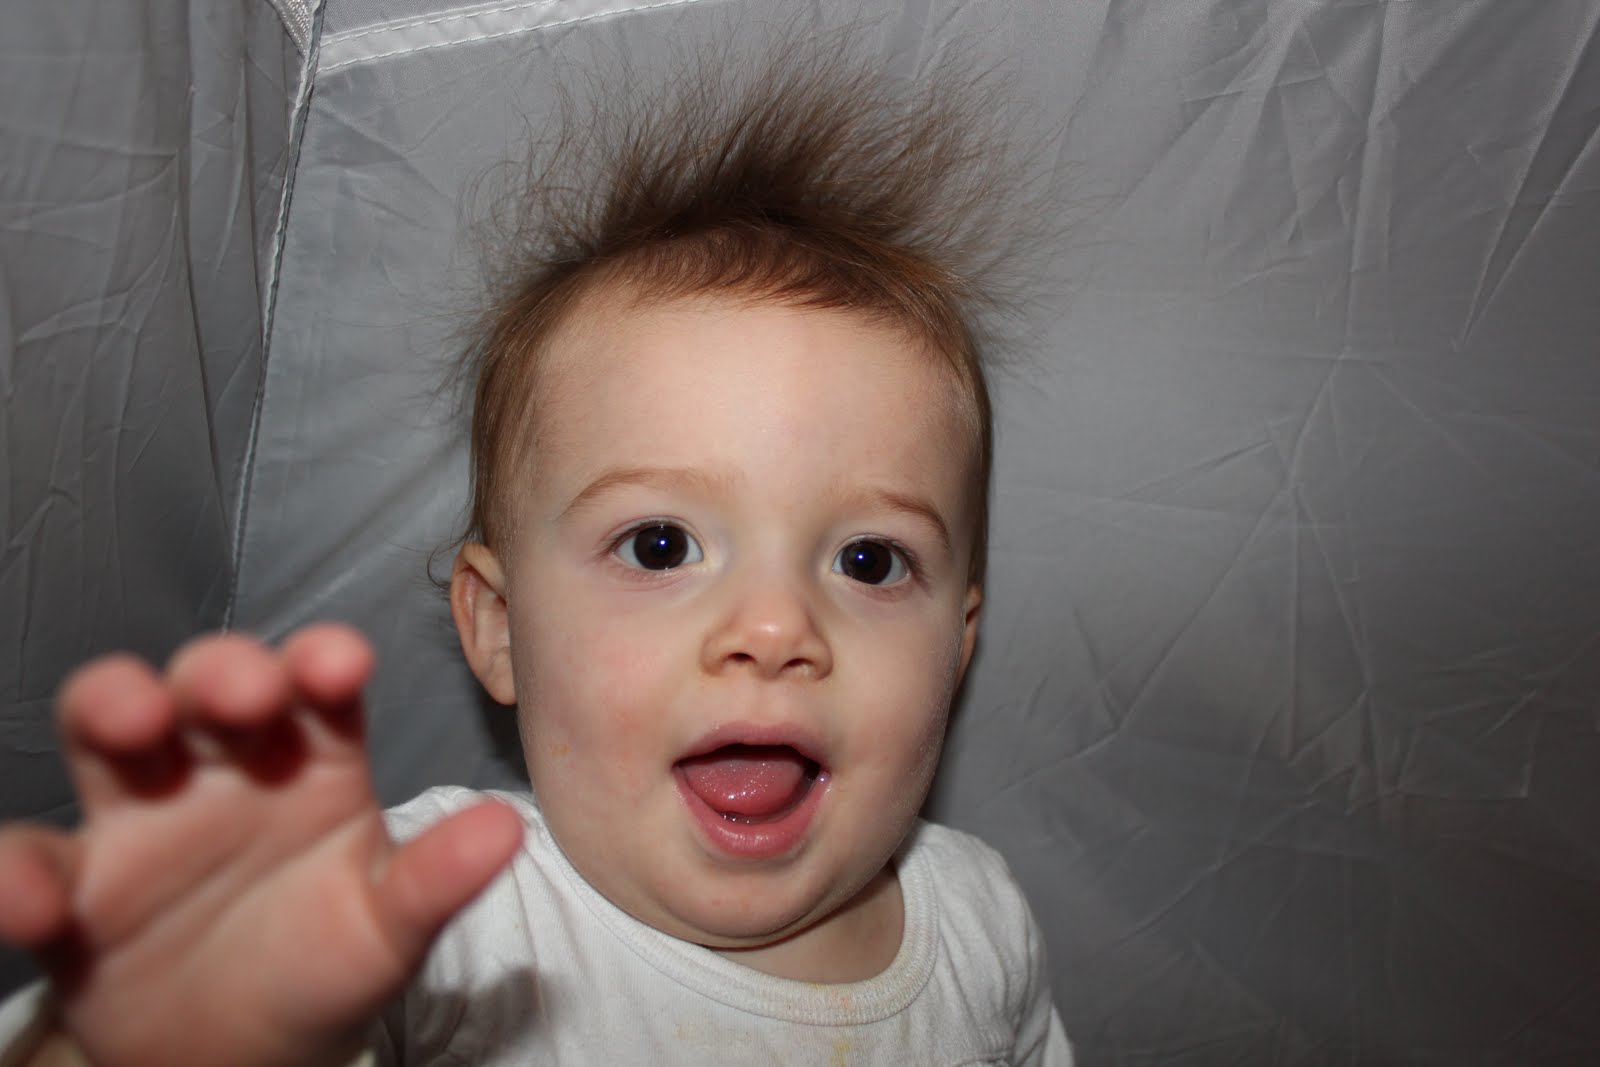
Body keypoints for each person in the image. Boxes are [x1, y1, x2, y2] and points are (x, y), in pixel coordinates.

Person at [0, 39, 1072, 1067]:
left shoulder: (981, 920)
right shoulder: (438, 915)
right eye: (662, 543)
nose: (774, 627)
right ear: (501, 628)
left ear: (958, 642)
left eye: (870, 561)